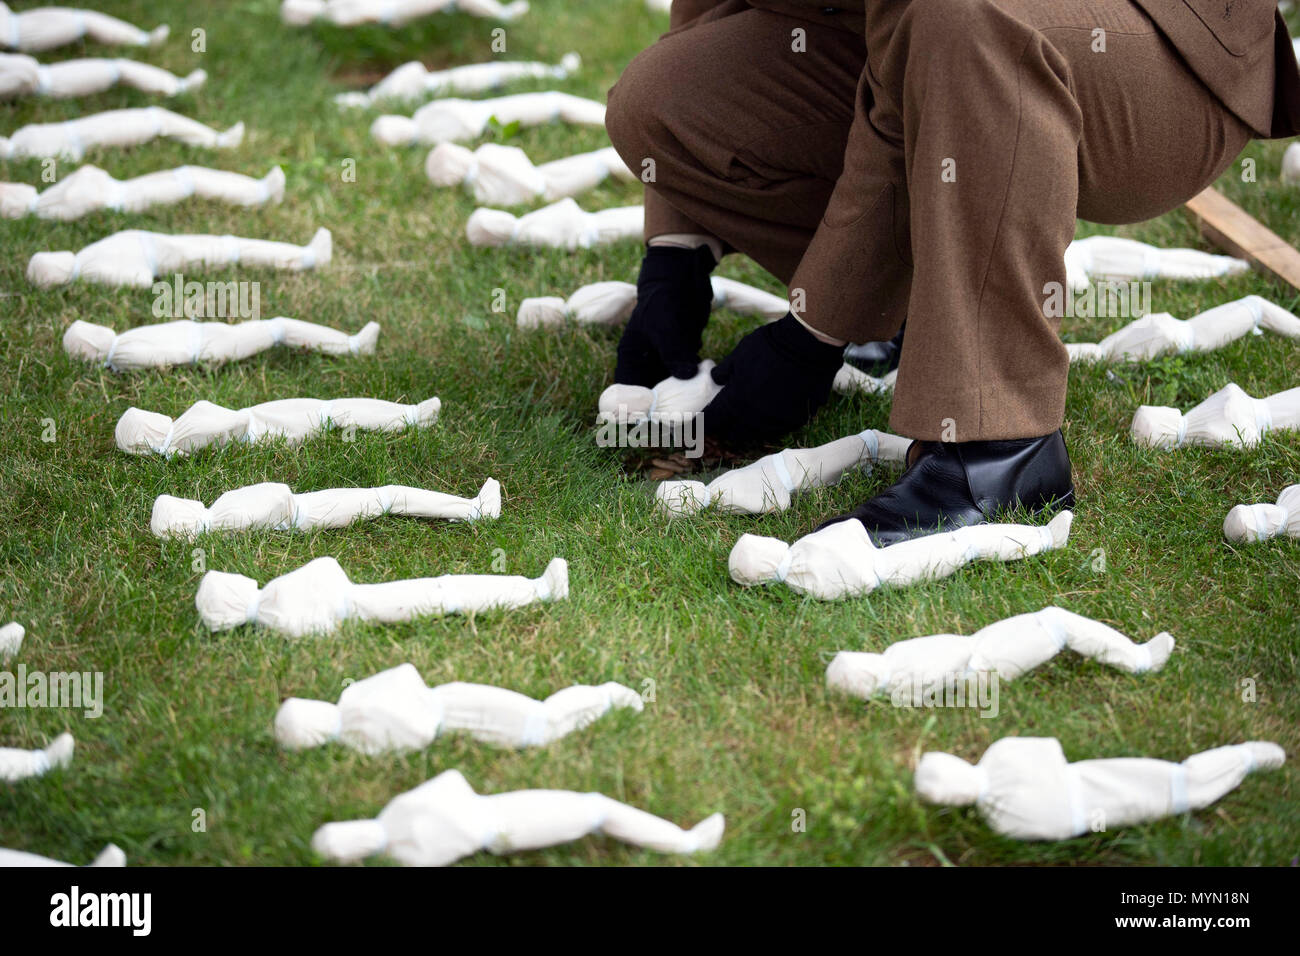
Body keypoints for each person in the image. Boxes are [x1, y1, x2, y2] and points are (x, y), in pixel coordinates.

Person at [605, 0, 1300, 544]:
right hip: (910, 33)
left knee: (960, 17)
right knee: (662, 98)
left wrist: (809, 337)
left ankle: (1002, 446)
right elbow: (709, 13)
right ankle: (928, 299)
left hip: (1150, 45)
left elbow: (893, 109)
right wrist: (672, 268)